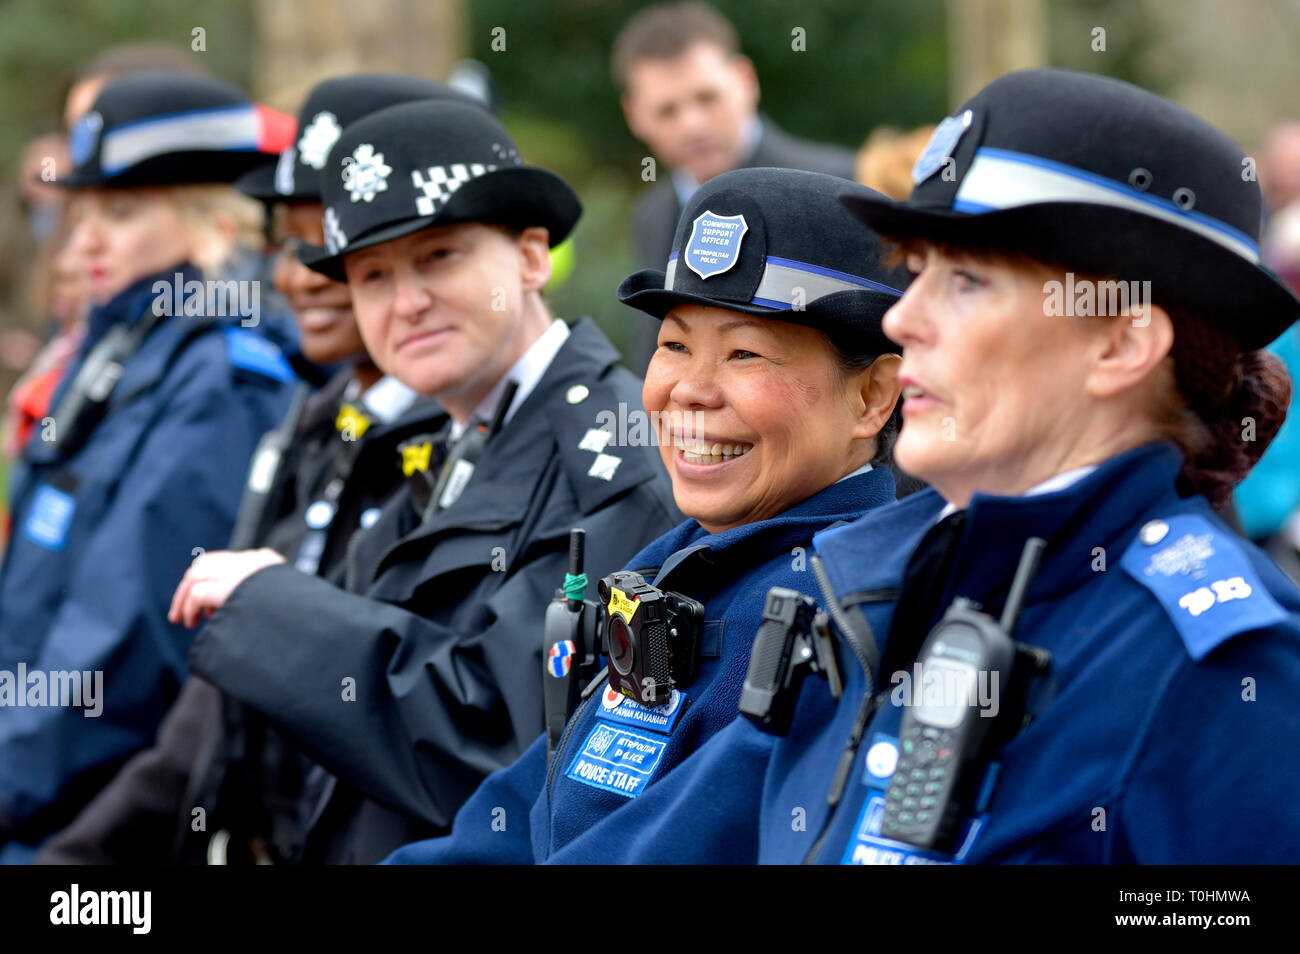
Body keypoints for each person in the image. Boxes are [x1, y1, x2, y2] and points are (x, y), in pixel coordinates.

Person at [746, 68, 1300, 864]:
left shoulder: (1218, 667)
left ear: (1120, 343)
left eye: (966, 280)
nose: (903, 317)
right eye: (917, 269)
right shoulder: (875, 577)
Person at [169, 100, 682, 863]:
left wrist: (275, 608)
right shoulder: (450, 440)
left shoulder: (614, 461)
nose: (406, 303)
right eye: (372, 276)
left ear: (532, 257)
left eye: (440, 256)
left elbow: (501, 740)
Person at [384, 165, 908, 865]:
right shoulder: (677, 564)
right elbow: (512, 824)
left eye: (745, 353)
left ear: (874, 396)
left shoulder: (843, 616)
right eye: (674, 346)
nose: (688, 391)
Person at [34, 74, 470, 866]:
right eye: (290, 243)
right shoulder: (319, 423)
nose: (303, 275)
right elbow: (213, 705)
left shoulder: (457, 444)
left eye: (340, 246)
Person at [0, 70, 297, 861]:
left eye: (122, 215)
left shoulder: (223, 376)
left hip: (96, 824)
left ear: (211, 222)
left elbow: (127, 648)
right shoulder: (125, 342)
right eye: (82, 215)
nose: (84, 242)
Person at [612, 1, 857, 371]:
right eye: (667, 110)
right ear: (634, 115)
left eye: (707, 98)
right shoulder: (652, 213)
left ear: (745, 80)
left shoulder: (839, 187)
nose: (692, 125)